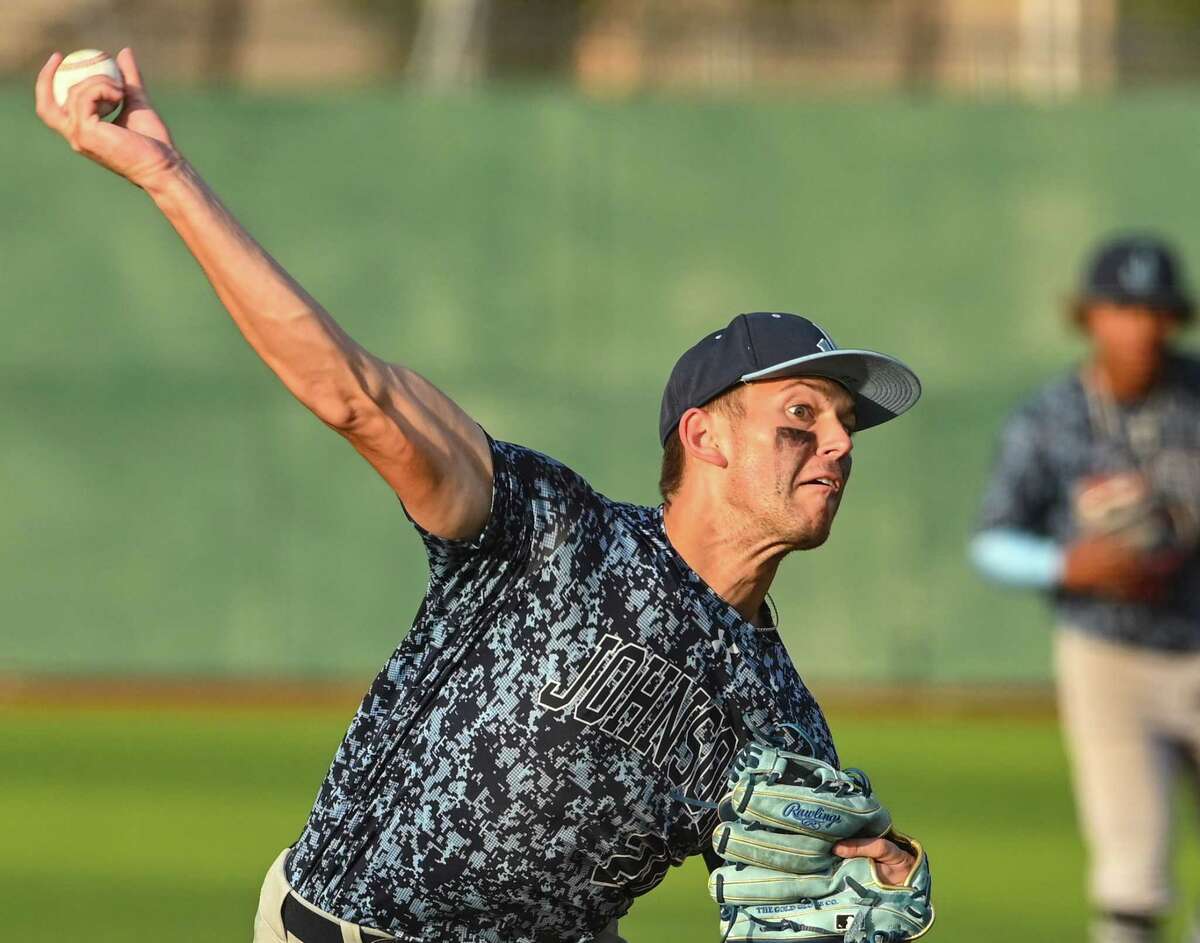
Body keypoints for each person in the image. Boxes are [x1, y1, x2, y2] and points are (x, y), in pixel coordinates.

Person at [35, 49, 924, 943]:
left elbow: (828, 891)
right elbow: (357, 393)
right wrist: (167, 175)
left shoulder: (780, 715)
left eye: (846, 422)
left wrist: (882, 865)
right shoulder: (554, 534)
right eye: (802, 414)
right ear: (705, 437)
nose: (840, 443)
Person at [971, 235, 1200, 943]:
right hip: (1109, 659)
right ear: (1089, 316)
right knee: (1129, 878)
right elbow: (992, 539)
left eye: (1153, 310)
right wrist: (1070, 566)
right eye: (1121, 308)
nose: (1138, 326)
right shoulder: (1050, 416)